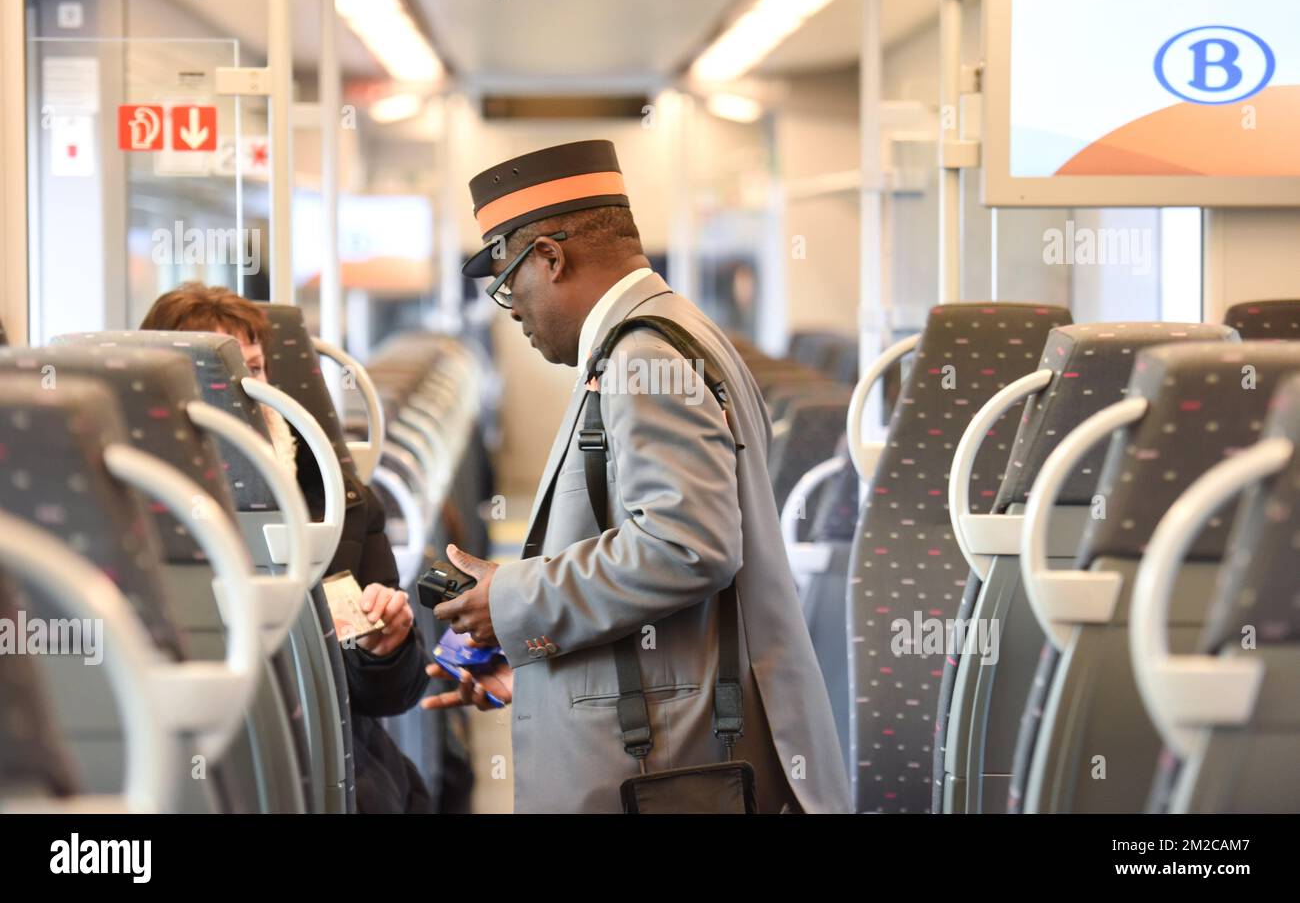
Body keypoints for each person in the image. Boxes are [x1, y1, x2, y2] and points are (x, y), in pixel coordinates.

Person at [423, 139, 851, 813]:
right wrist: (536, 667)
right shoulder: (676, 334)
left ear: (550, 258)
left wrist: (510, 599)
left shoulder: (643, 356)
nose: (516, 313)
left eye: (510, 286)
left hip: (668, 763)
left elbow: (685, 546)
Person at [140, 283, 433, 813]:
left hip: (337, 762)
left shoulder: (337, 501)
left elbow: (393, 697)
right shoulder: (132, 515)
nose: (243, 392)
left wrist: (385, 651)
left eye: (255, 370)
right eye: (217, 378)